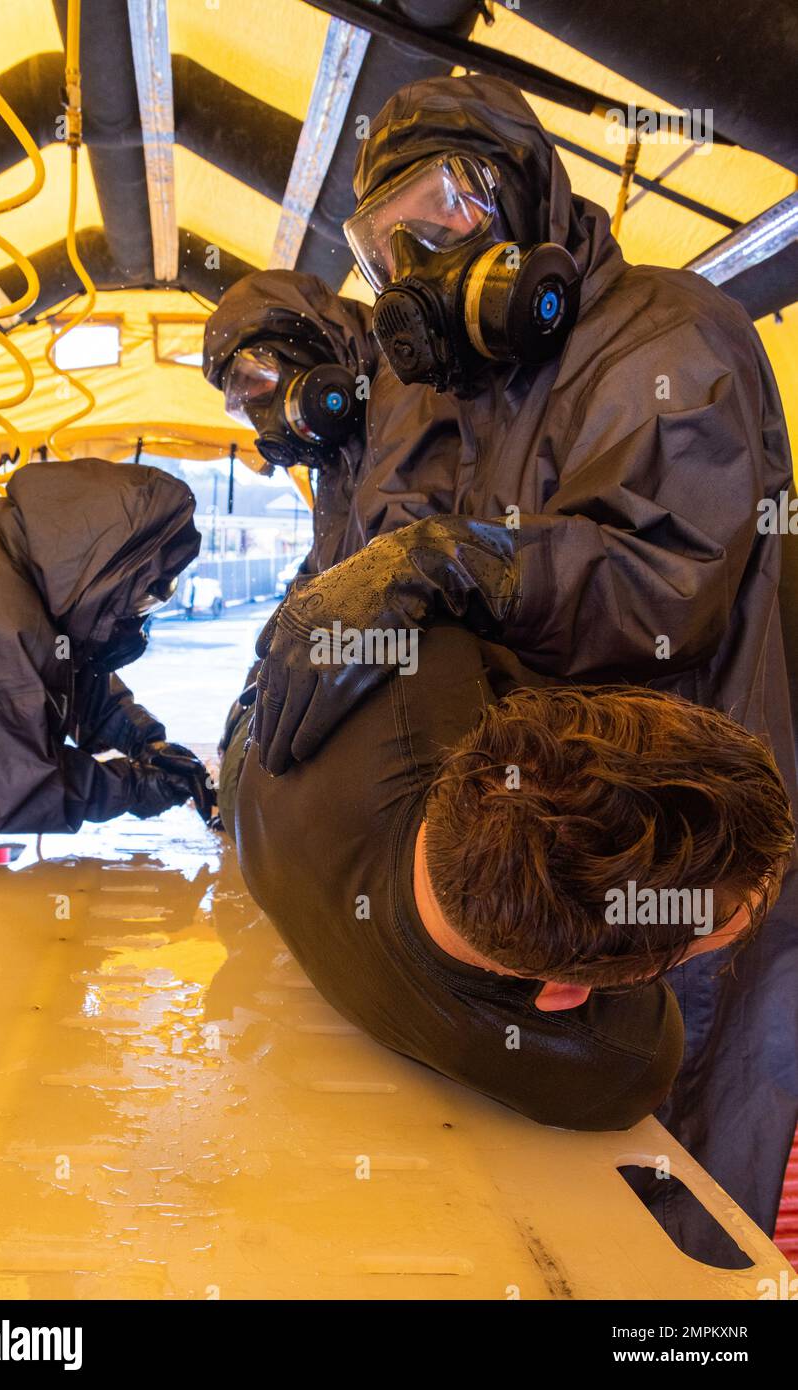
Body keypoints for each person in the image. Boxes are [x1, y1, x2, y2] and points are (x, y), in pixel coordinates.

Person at [249, 76, 798, 1257]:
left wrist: (455, 559)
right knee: (522, 1183)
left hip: (665, 853)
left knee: (664, 1165)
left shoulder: (669, 334)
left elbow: (661, 591)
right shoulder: (442, 381)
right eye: (384, 240)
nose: (416, 257)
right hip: (531, 858)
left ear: (526, 196)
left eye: (441, 214)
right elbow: (382, 565)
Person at [225, 623, 793, 1137]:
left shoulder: (414, 657)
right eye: (715, 936)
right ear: (564, 994)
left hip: (247, 767)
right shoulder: (613, 1064)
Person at [0, 457, 213, 896]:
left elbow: (66, 667)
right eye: (147, 591)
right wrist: (139, 786)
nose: (144, 609)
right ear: (110, 574)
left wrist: (144, 738)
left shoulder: (15, 545)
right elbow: (24, 785)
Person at [203, 269, 377, 574]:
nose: (262, 416)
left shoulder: (402, 392)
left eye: (261, 380)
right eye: (244, 407)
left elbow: (395, 572)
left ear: (307, 346)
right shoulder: (334, 460)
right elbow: (328, 568)